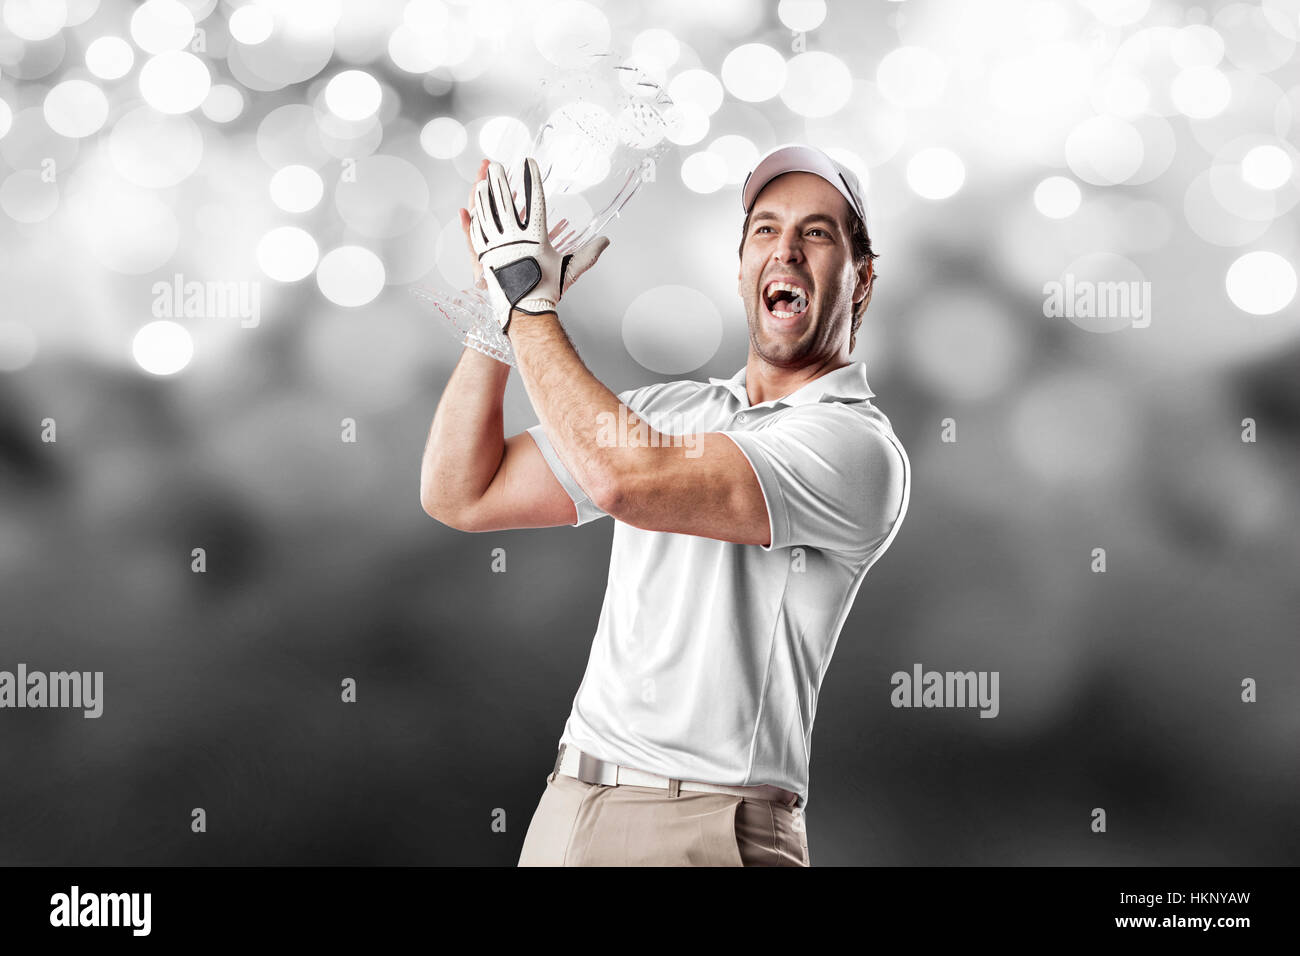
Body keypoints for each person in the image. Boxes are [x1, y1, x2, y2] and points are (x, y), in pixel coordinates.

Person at [420, 143, 911, 866]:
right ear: (742, 266)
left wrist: (530, 301)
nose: (787, 251)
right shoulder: (672, 409)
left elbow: (630, 483)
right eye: (765, 230)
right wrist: (497, 318)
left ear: (861, 280)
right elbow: (464, 491)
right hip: (567, 804)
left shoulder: (855, 447)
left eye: (816, 232)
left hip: (708, 827)